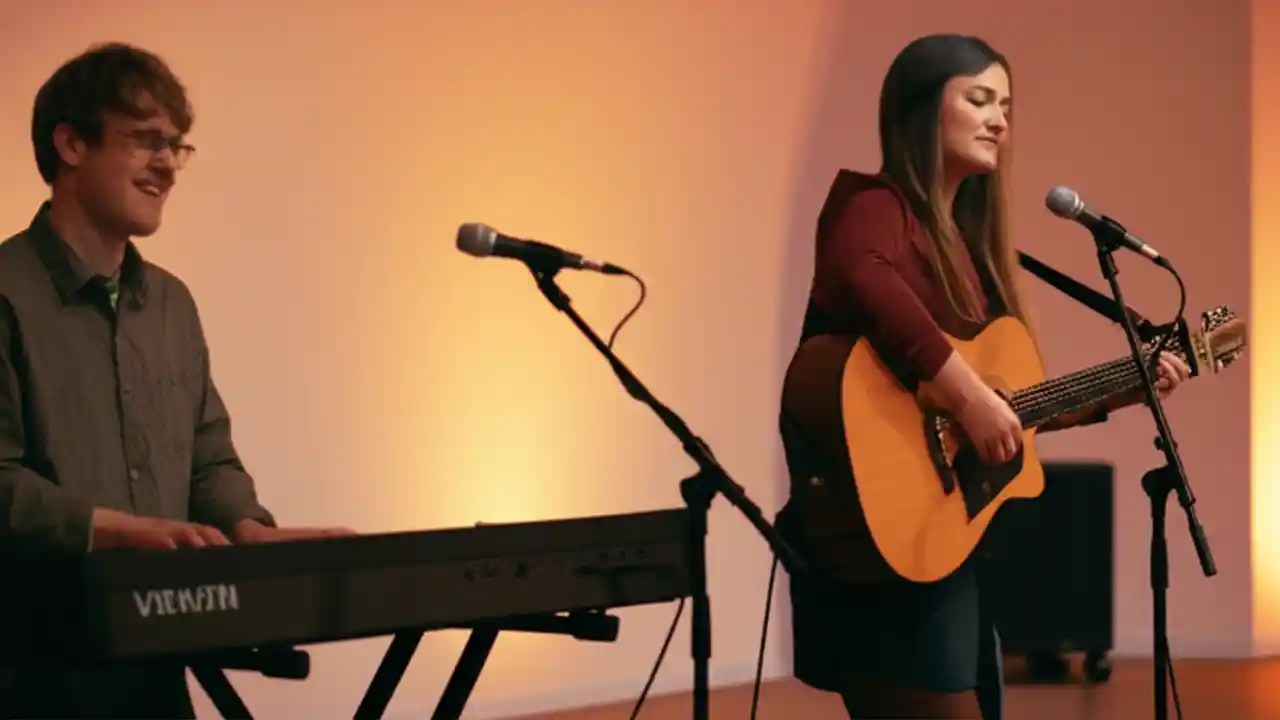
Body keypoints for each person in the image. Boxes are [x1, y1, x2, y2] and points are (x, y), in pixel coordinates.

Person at [777, 34, 1190, 719]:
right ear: (917, 110)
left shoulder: (968, 255)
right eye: (978, 99)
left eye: (1006, 104)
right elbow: (863, 278)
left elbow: (1011, 406)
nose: (1001, 118)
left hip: (943, 552)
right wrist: (967, 397)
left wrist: (1121, 390)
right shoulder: (871, 205)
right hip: (877, 562)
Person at [0, 43, 353, 718]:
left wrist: (247, 529)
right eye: (145, 141)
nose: (167, 163)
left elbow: (207, 458)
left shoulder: (170, 303)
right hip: (31, 671)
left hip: (153, 672)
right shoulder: (5, 293)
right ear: (71, 144)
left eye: (176, 146)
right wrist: (113, 530)